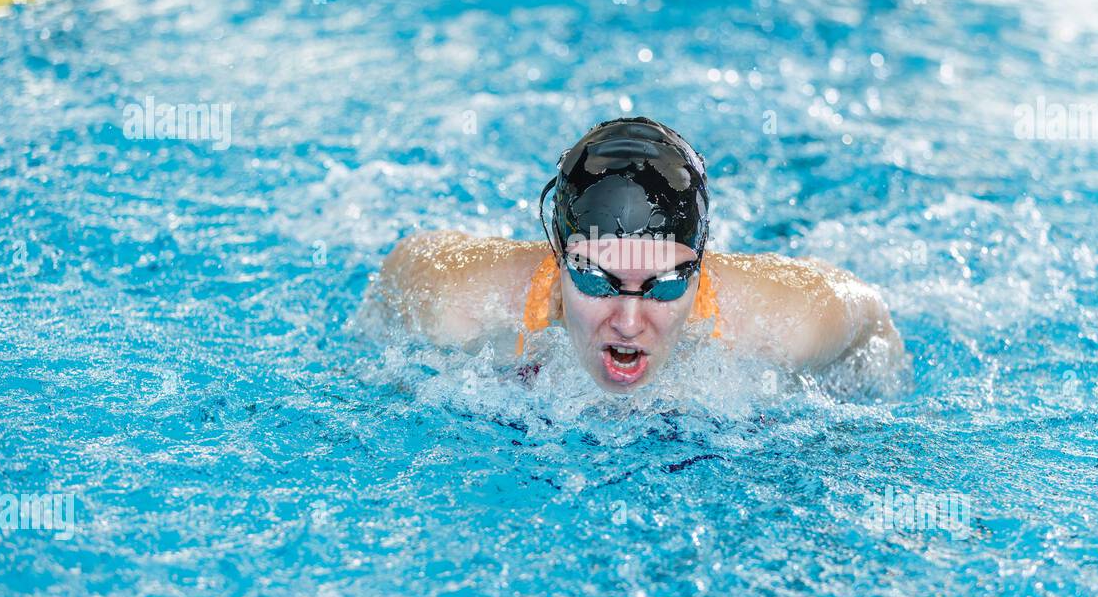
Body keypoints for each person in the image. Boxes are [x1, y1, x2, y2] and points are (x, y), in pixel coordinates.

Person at [373, 117, 905, 393]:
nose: (628, 321)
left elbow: (872, 323)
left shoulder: (784, 322)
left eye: (666, 284)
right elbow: (401, 268)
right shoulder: (462, 303)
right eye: (597, 282)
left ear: (700, 269)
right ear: (557, 259)